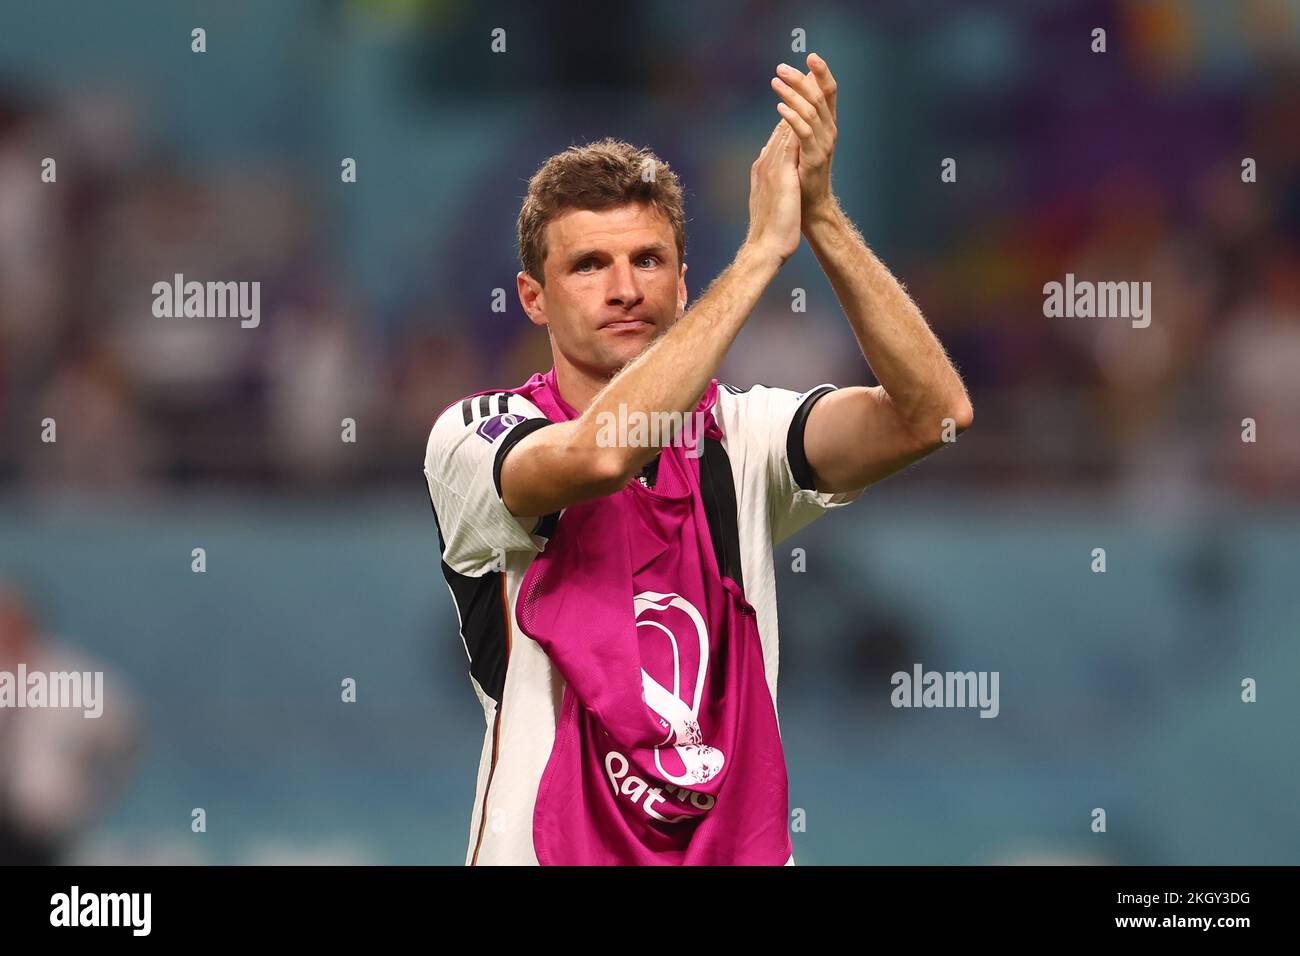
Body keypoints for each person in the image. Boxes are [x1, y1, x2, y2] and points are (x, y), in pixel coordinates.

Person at [423, 54, 972, 865]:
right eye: (588, 265)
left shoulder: (741, 438)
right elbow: (601, 456)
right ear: (533, 297)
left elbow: (935, 416)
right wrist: (757, 257)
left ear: (683, 285)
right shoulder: (475, 436)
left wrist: (818, 216)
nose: (624, 288)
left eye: (648, 260)